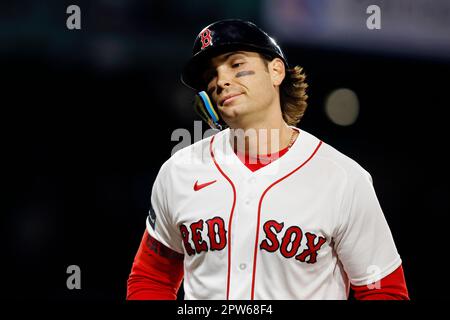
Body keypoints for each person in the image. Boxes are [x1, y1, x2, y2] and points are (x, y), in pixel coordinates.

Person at [126, 19, 409, 300]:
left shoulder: (342, 178)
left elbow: (384, 291)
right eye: (211, 75)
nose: (221, 81)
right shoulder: (179, 171)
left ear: (275, 71)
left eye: (236, 65)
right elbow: (152, 278)